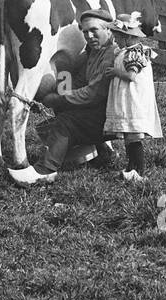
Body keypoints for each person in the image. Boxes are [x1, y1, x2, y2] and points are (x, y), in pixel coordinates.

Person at [31, 10, 118, 182]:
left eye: (94, 30)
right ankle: (102, 152)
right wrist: (53, 96)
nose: (89, 35)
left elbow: (93, 94)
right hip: (102, 111)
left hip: (113, 118)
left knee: (66, 122)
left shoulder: (111, 54)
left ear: (109, 30)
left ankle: (46, 170)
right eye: (85, 32)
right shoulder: (94, 51)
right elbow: (79, 82)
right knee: (62, 109)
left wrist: (59, 99)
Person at [104, 13, 163, 183]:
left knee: (133, 137)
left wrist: (116, 72)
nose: (116, 41)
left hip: (134, 100)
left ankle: (139, 170)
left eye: (118, 37)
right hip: (127, 98)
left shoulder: (136, 52)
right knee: (129, 136)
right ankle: (131, 167)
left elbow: (131, 76)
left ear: (128, 37)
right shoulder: (127, 51)